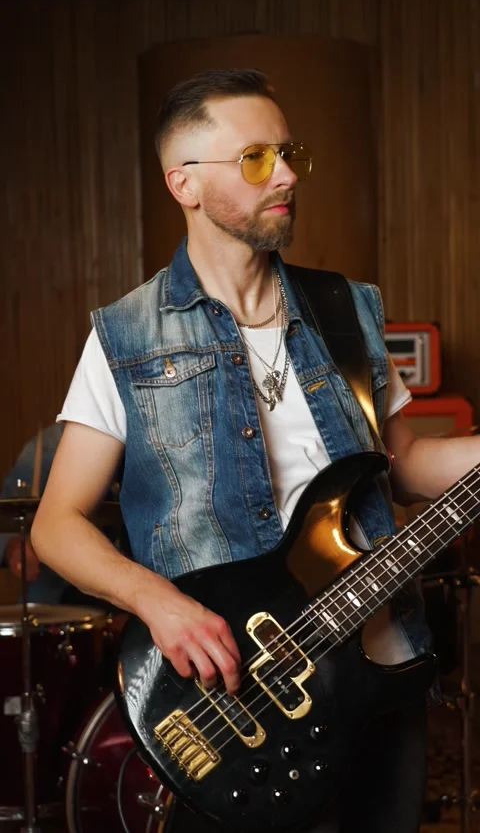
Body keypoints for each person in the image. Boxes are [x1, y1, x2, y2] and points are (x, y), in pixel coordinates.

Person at [31, 69, 480, 833]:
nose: (288, 174)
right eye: (256, 158)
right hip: (241, 702)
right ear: (185, 184)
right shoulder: (127, 336)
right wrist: (158, 603)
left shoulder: (347, 309)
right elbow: (56, 524)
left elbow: (401, 463)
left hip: (379, 671)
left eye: (289, 151)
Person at [1, 423, 125, 606]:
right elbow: (7, 516)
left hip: (131, 586)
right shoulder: (46, 448)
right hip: (57, 592)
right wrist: (13, 547)